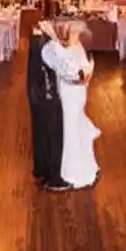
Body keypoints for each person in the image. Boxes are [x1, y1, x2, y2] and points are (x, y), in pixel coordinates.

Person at [39, 20, 100, 188]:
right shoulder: (63, 48)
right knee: (73, 130)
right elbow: (55, 58)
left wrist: (54, 39)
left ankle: (75, 172)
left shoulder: (74, 49)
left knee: (72, 130)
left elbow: (73, 71)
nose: (74, 34)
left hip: (74, 96)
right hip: (71, 95)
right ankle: (78, 168)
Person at [26, 26, 70, 191]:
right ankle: (54, 178)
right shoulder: (46, 46)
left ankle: (41, 169)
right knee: (54, 133)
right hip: (47, 94)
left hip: (37, 93)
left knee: (41, 130)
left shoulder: (37, 41)